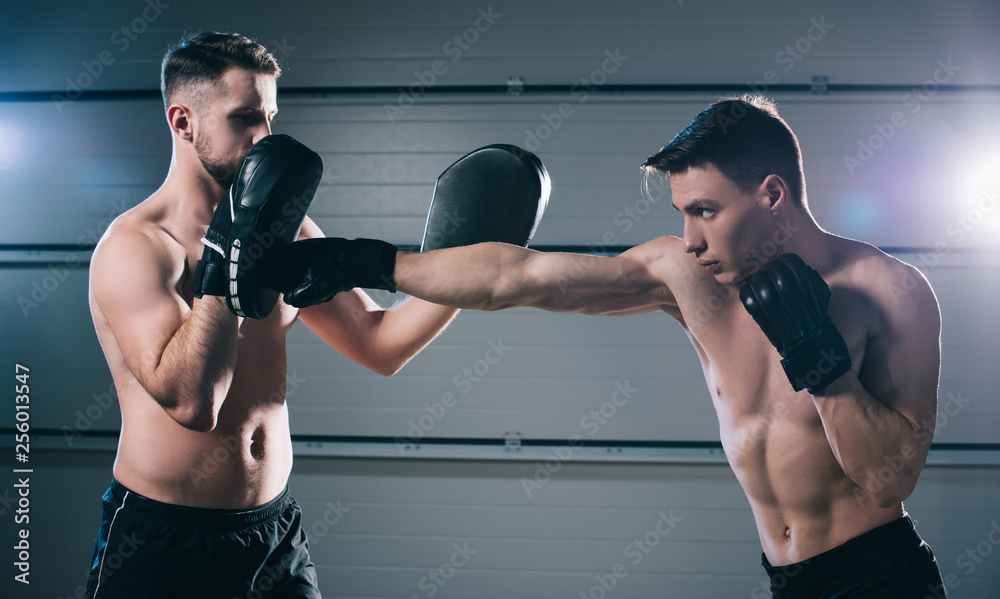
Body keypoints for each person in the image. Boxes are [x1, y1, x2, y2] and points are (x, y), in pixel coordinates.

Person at [279, 95, 948, 598]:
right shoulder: (688, 277)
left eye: (705, 211)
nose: (688, 238)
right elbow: (519, 274)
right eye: (681, 213)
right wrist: (358, 262)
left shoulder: (890, 291)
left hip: (882, 578)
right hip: (782, 580)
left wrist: (822, 367)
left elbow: (891, 478)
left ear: (772, 193)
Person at [85, 32, 462, 598]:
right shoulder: (137, 247)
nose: (266, 138)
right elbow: (192, 401)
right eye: (244, 118)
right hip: (164, 544)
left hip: (273, 537)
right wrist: (231, 254)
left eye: (270, 116)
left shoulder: (288, 231)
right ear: (183, 122)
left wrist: (467, 269)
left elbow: (379, 344)